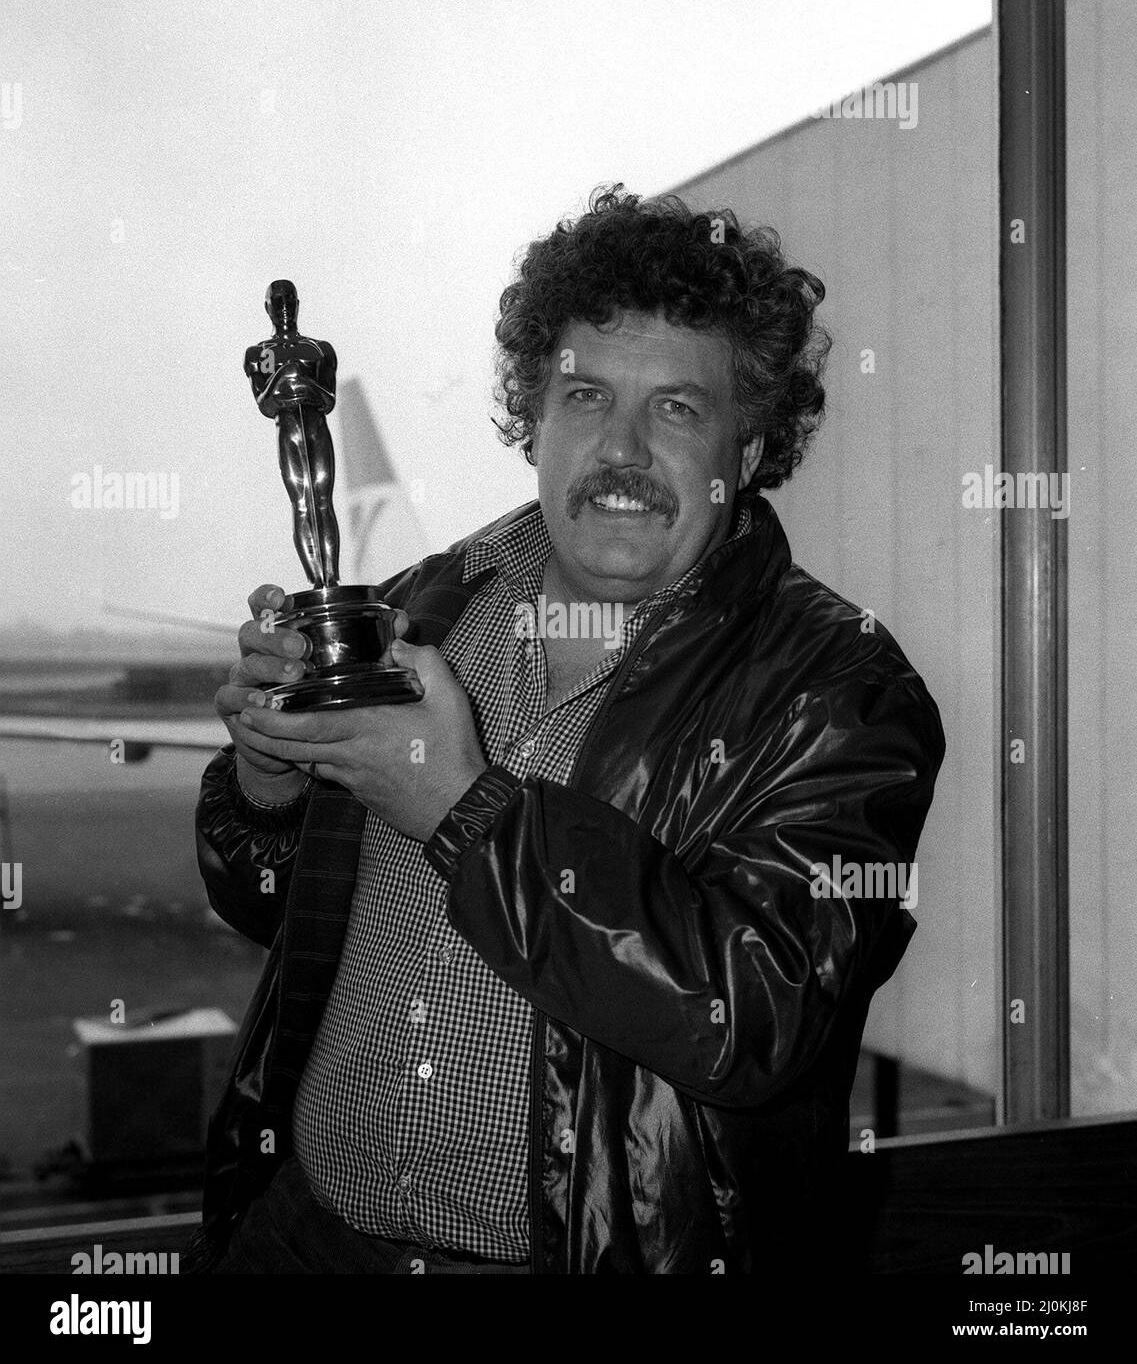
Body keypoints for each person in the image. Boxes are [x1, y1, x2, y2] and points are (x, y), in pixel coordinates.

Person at [187, 185, 945, 1275]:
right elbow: (282, 911)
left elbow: (756, 1014)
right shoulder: (419, 611)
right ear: (530, 416)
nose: (622, 448)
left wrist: (461, 811)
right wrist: (265, 779)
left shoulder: (841, 690)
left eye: (679, 407)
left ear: (753, 438)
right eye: (586, 395)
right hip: (301, 1242)